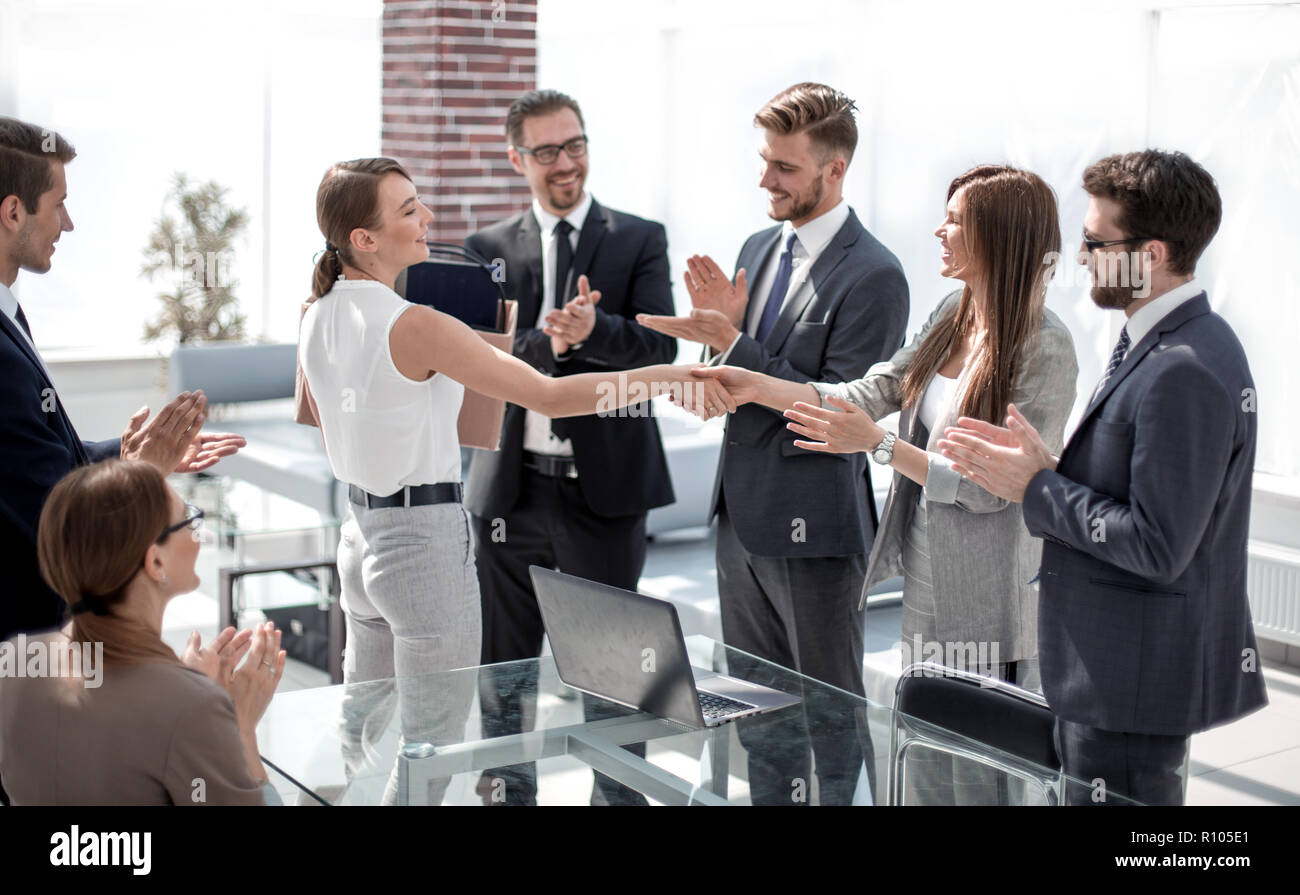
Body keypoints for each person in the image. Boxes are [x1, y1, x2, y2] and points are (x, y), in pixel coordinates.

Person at [297, 157, 732, 805]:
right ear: (364, 238)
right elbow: (548, 396)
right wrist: (672, 379)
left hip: (358, 541)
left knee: (366, 725)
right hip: (421, 547)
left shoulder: (317, 311)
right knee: (431, 750)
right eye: (410, 209)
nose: (428, 219)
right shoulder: (415, 324)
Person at [695, 164, 1079, 803]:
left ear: (999, 237)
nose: (940, 229)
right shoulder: (954, 312)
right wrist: (758, 386)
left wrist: (878, 444)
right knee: (925, 756)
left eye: (955, 220)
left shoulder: (1046, 345)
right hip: (928, 570)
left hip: (990, 588)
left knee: (981, 777)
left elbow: (992, 487)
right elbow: (871, 390)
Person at [936, 150, 1269, 805]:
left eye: (1095, 240)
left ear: (1150, 253)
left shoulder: (1184, 369)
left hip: (1128, 689)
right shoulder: (1158, 340)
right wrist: (1053, 471)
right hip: (1112, 673)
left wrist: (1037, 487)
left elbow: (1157, 544)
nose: (1081, 256)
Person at [640, 82, 909, 805]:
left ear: (834, 169)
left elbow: (837, 411)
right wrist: (704, 378)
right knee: (756, 709)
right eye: (765, 161)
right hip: (740, 519)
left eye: (785, 167)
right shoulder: (757, 248)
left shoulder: (876, 275)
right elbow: (743, 383)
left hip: (816, 528)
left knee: (828, 712)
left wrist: (734, 344)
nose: (766, 179)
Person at [461, 89, 677, 806]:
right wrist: (549, 341)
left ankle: (618, 801)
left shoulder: (639, 238)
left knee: (617, 677)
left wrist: (596, 332)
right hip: (508, 493)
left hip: (606, 493)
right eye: (548, 150)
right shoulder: (486, 250)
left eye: (576, 144)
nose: (566, 163)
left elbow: (657, 346)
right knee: (504, 676)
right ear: (517, 157)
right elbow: (475, 355)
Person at [0, 116, 246, 647]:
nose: (68, 224)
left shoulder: (9, 317)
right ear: (13, 211)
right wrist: (144, 471)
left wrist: (127, 453)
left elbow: (34, 461)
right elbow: (57, 520)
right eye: (59, 203)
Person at [0, 460, 284, 806]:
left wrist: (180, 684)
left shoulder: (16, 663)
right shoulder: (193, 708)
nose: (198, 528)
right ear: (155, 563)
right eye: (189, 517)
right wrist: (238, 728)